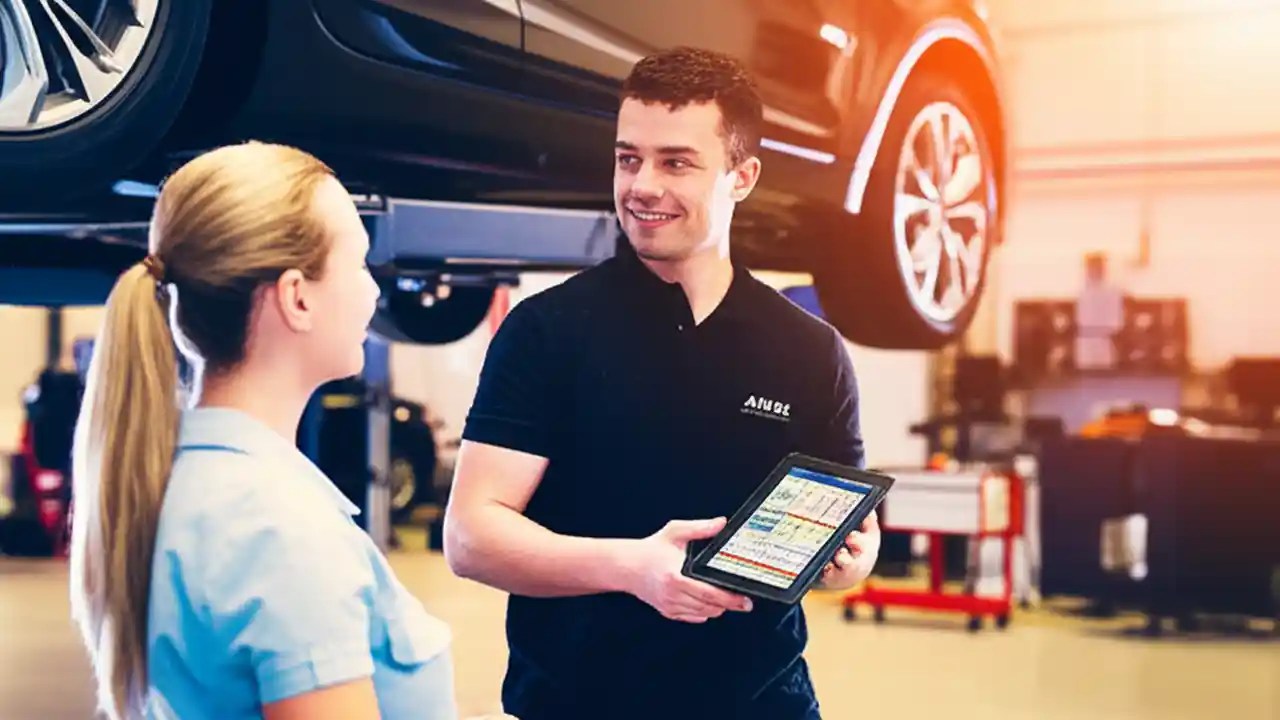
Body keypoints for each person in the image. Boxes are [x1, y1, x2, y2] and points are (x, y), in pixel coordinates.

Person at [444, 47, 881, 720]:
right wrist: (631, 568)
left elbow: (852, 521)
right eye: (628, 158)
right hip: (578, 704)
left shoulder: (808, 350)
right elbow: (472, 536)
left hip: (764, 702)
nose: (642, 184)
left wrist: (852, 559)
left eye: (675, 162)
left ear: (742, 176)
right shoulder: (548, 331)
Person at [67, 142, 459, 720]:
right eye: (358, 263)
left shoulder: (170, 480)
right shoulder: (280, 530)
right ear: (297, 297)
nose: (374, 290)